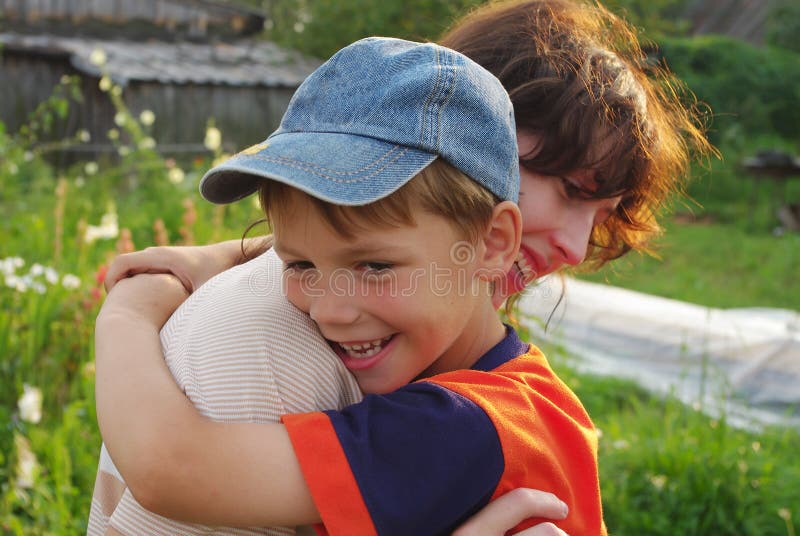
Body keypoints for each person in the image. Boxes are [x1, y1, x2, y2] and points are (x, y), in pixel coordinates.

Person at [93, 0, 712, 533]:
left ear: (494, 236)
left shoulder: (464, 426)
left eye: (375, 267)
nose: (331, 307)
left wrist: (127, 312)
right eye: (300, 264)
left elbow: (171, 468)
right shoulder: (494, 386)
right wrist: (221, 259)